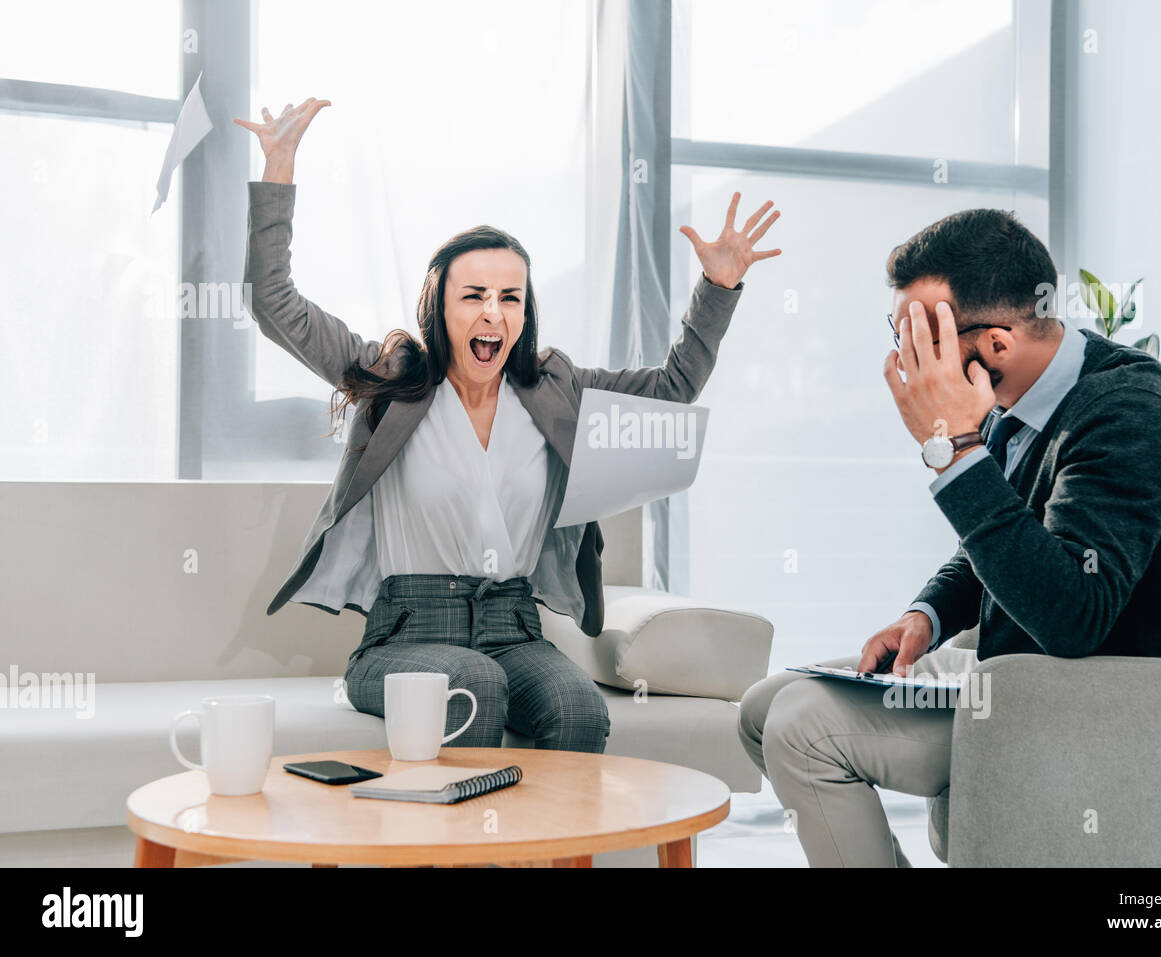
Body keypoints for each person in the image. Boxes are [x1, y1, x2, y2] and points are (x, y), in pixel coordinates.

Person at [234, 98, 782, 753]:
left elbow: (672, 388)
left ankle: (550, 858)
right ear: (440, 305)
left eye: (510, 296)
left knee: (577, 710)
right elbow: (275, 306)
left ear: (524, 314)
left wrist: (718, 287)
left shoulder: (553, 390)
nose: (492, 311)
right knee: (475, 682)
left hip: (514, 626)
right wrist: (279, 173)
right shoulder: (393, 377)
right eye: (474, 295)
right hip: (407, 631)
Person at [738, 208, 1161, 866]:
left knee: (799, 728)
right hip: (1010, 669)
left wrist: (956, 452)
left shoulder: (1130, 414)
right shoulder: (1009, 399)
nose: (907, 362)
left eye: (922, 340)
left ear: (995, 344)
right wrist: (925, 614)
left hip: (1095, 703)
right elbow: (1004, 540)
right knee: (761, 704)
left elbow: (1074, 614)